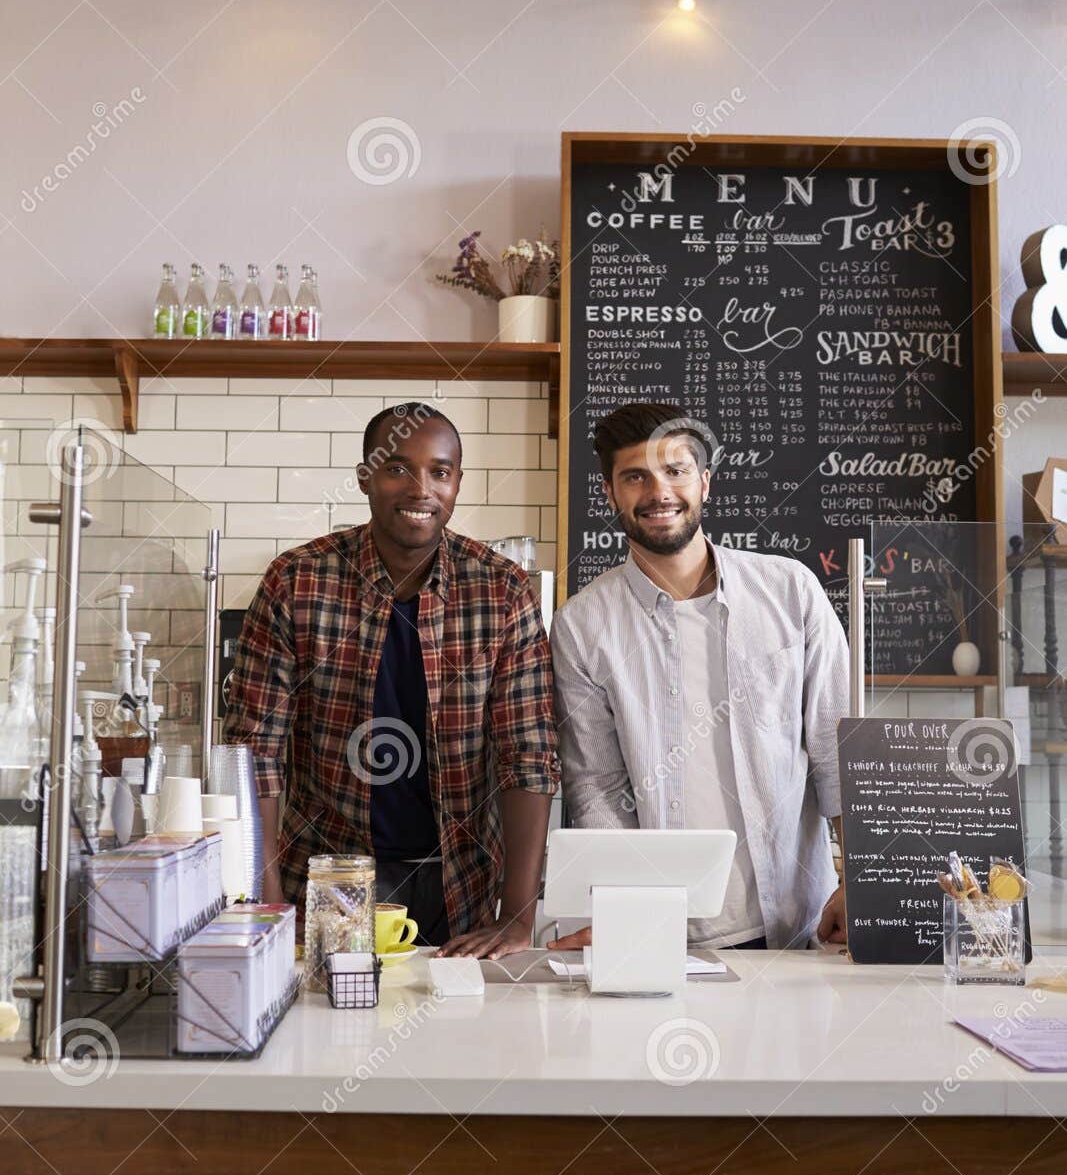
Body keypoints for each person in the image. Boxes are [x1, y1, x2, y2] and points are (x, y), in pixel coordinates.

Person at [224, 402, 560, 958]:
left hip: (465, 885)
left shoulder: (501, 590)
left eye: (440, 471)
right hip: (330, 884)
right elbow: (254, 753)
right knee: (331, 1041)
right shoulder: (297, 581)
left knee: (462, 1040)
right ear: (365, 477)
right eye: (397, 468)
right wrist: (269, 904)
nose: (420, 489)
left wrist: (517, 915)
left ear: (457, 483)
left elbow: (528, 753)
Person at [549, 401, 849, 954]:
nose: (658, 492)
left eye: (676, 471)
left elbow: (838, 750)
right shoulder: (583, 625)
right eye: (635, 476)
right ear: (610, 493)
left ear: (704, 482)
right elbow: (597, 787)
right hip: (663, 930)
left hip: (800, 923)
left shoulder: (791, 592)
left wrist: (860, 880)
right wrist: (620, 910)